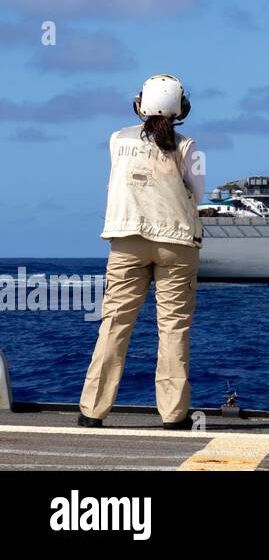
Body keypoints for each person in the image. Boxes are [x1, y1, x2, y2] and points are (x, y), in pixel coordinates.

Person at [79, 74, 204, 429]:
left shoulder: (117, 139)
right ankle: (174, 414)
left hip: (126, 241)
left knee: (115, 325)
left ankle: (93, 410)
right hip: (177, 244)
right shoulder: (189, 146)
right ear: (183, 108)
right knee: (174, 329)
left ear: (140, 104)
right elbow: (197, 192)